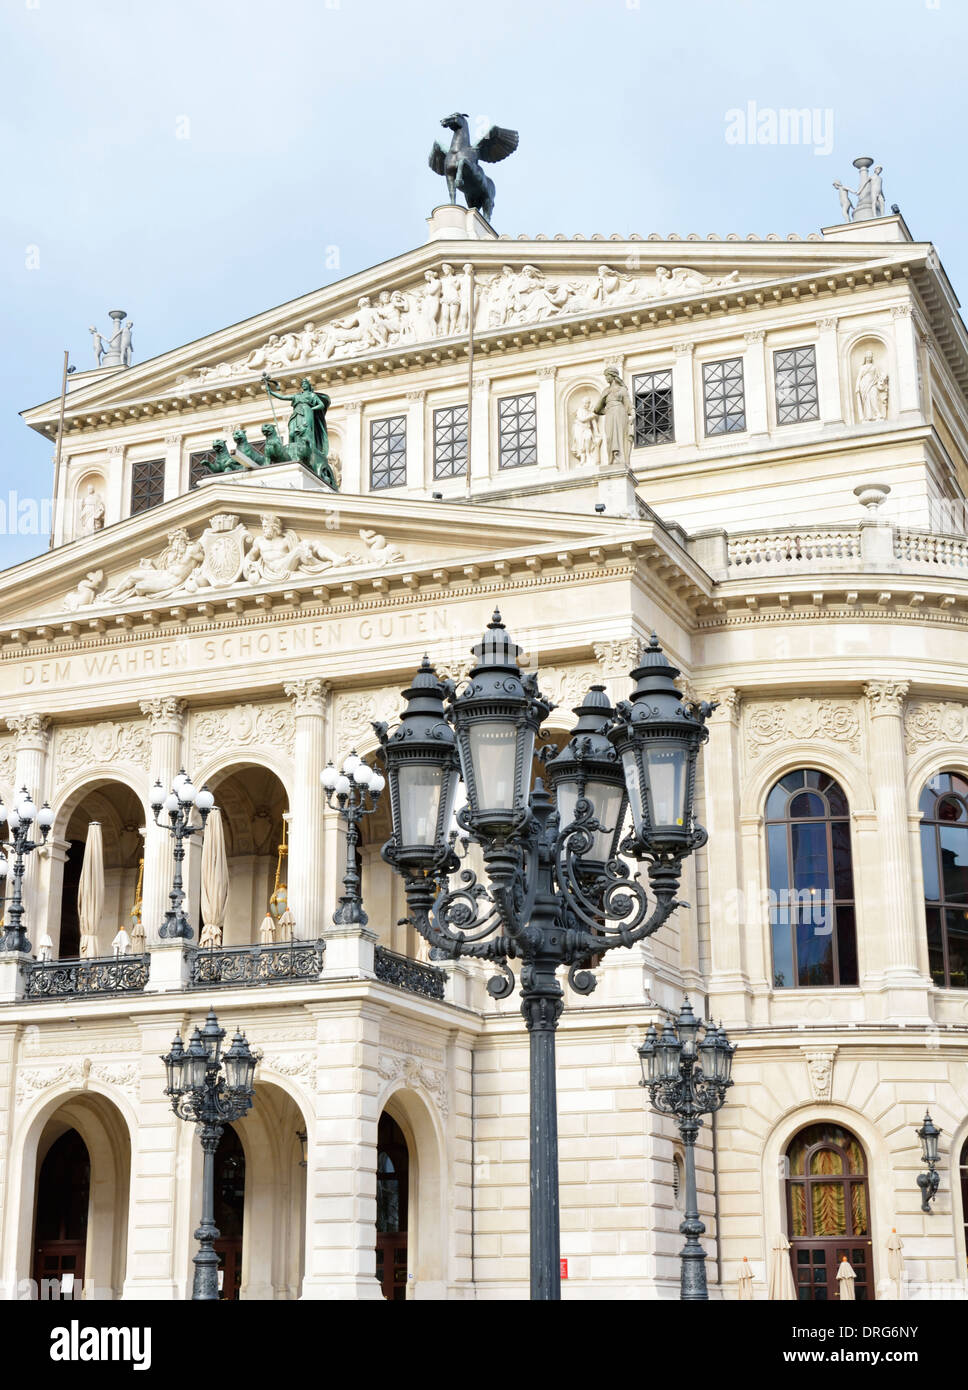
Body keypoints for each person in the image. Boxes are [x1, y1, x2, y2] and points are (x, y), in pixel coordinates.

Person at [594, 369, 633, 466]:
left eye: (607, 375)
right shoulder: (606, 391)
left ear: (613, 376)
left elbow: (628, 404)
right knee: (609, 437)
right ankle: (611, 459)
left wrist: (633, 414)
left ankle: (620, 459)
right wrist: (606, 408)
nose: (606, 378)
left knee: (620, 435)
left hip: (620, 413)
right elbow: (596, 409)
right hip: (610, 415)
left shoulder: (622, 389)